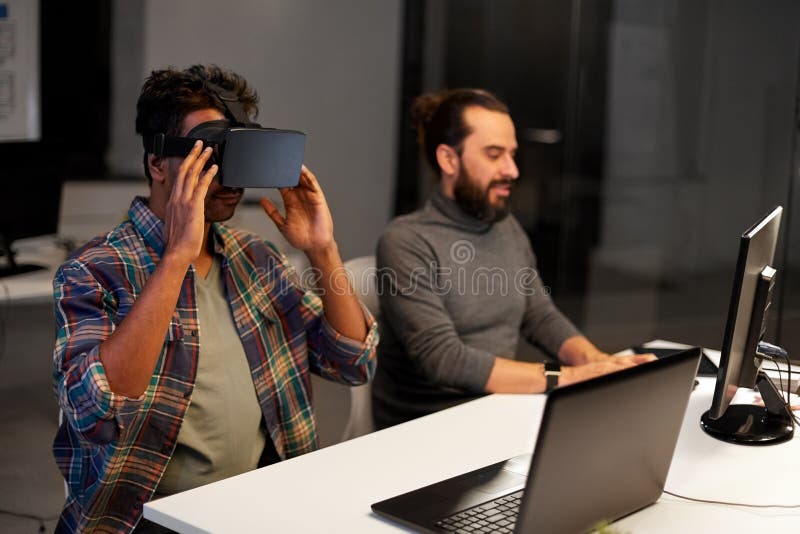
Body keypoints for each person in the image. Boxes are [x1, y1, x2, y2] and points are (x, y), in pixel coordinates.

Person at [51, 65, 378, 533]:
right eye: (210, 153)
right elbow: (96, 411)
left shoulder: (257, 258)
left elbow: (353, 362)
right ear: (157, 163)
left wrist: (323, 249)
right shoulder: (94, 270)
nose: (228, 174)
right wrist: (177, 255)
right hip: (144, 521)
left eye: (235, 151)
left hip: (260, 503)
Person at [372, 88, 653, 429]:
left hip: (497, 413)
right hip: (429, 428)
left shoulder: (505, 226)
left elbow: (539, 315)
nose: (512, 170)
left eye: (512, 154)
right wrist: (566, 377)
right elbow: (444, 359)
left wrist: (596, 362)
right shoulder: (405, 241)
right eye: (494, 155)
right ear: (449, 159)